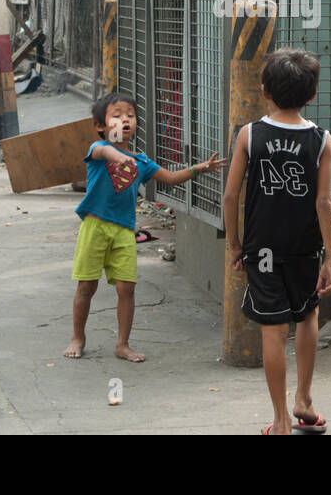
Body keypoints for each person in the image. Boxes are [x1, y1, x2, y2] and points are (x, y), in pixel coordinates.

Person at [222, 49, 331, 435]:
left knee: (273, 330)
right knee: (307, 315)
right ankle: (303, 399)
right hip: (304, 248)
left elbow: (230, 196)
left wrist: (234, 245)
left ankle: (281, 420)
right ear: (313, 94)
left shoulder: (250, 134)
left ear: (264, 91)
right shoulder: (322, 140)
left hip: (263, 249)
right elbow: (324, 202)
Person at [64, 92, 225, 362]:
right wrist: (117, 156)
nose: (125, 120)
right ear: (100, 126)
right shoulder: (98, 150)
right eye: (116, 116)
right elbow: (105, 150)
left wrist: (200, 168)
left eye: (130, 115)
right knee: (86, 287)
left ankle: (122, 344)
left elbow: (171, 178)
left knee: (127, 288)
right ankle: (77, 337)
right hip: (95, 227)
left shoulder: (141, 161)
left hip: (125, 230)